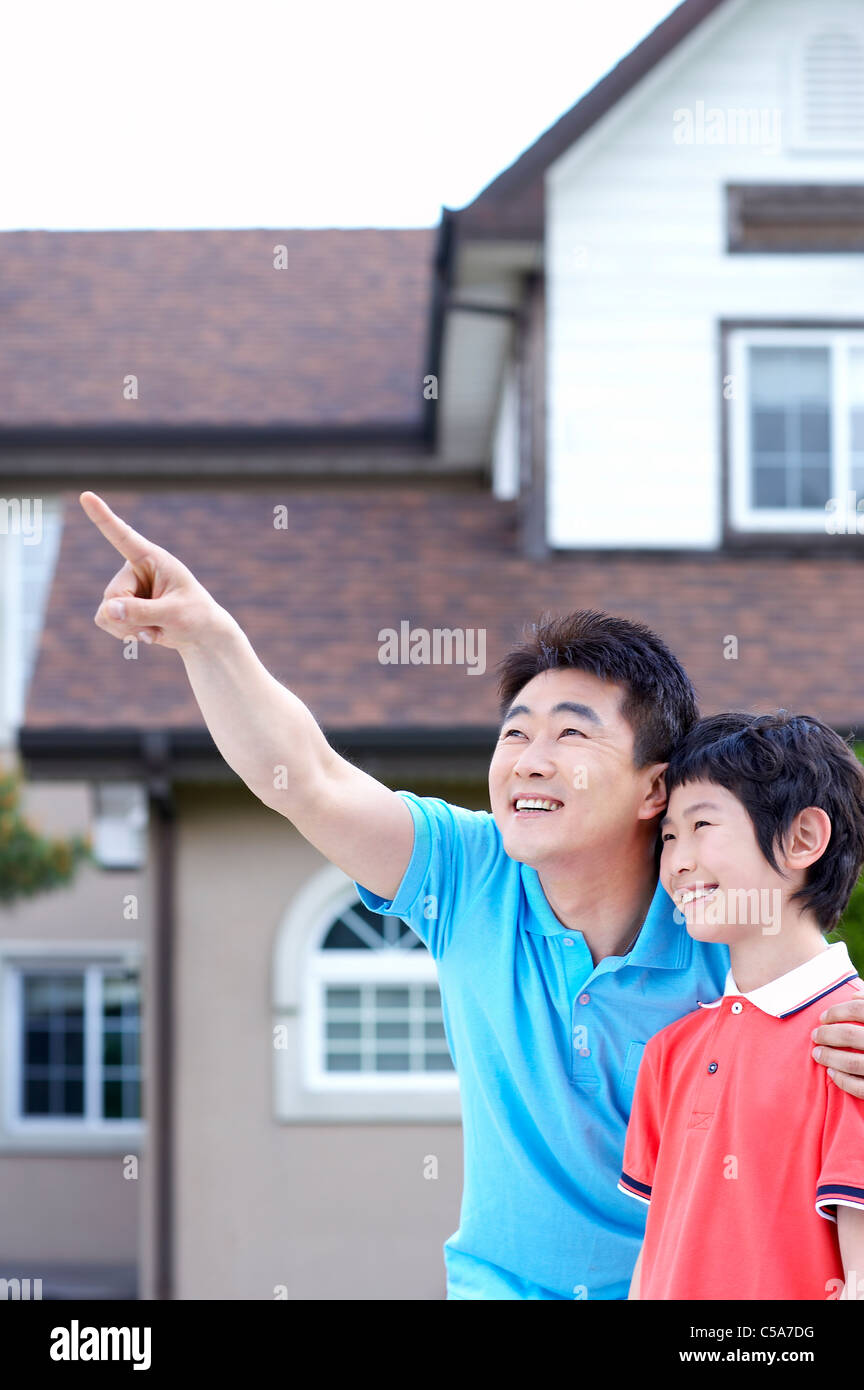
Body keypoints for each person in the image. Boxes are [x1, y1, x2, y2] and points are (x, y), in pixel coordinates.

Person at [78, 490, 864, 1300]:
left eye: (571, 733)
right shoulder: (468, 870)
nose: (527, 759)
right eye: (516, 732)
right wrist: (209, 636)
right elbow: (306, 780)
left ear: (653, 789)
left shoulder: (716, 908)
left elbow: (817, 983)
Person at [620, 712, 864, 1299]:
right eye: (669, 836)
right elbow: (657, 1254)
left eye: (702, 823)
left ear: (803, 838)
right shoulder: (669, 1053)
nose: (676, 861)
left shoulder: (849, 1043)